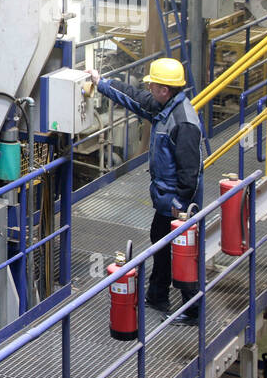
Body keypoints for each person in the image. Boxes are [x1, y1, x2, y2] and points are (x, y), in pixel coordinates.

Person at [85, 58, 205, 323]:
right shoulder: (164, 107)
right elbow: (135, 98)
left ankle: (193, 309)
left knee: (183, 254)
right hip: (166, 200)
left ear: (165, 89)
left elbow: (190, 171)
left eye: (153, 85)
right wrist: (101, 83)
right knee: (159, 242)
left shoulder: (183, 122)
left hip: (179, 203)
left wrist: (180, 203)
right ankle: (157, 295)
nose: (149, 89)